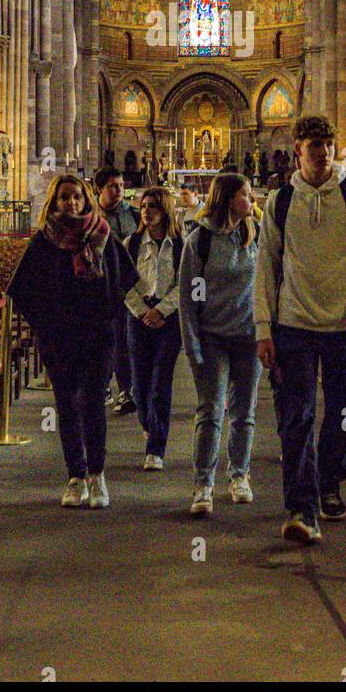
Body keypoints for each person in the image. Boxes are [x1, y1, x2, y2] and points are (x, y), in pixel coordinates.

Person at [254, 115, 346, 545]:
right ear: (298, 148)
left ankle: (330, 480)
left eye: (328, 144)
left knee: (343, 415)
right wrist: (263, 326)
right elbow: (266, 265)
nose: (323, 151)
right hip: (293, 323)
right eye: (314, 144)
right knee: (296, 417)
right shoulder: (280, 200)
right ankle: (301, 506)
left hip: (343, 324)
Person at [6, 174, 138, 510]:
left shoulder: (103, 236)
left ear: (86, 199)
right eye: (65, 197)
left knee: (93, 402)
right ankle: (75, 475)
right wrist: (45, 325)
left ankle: (97, 474)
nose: (72, 203)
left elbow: (126, 278)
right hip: (60, 338)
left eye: (77, 196)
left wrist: (109, 313)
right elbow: (21, 290)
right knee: (66, 404)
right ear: (55, 201)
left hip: (98, 336)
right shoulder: (44, 242)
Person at [178, 174, 261, 515]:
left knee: (245, 413)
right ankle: (203, 483)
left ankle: (240, 474)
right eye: (245, 193)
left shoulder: (256, 234)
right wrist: (192, 345)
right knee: (211, 411)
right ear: (228, 198)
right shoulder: (200, 242)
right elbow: (188, 297)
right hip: (212, 337)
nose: (251, 197)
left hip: (249, 337)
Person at [123, 187, 183, 470]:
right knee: (140, 383)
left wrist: (161, 310)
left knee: (160, 383)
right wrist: (143, 311)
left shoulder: (182, 244)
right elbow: (125, 284)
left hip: (169, 320)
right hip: (139, 318)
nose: (147, 211)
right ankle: (149, 424)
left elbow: (184, 284)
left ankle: (156, 449)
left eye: (154, 207)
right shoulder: (131, 243)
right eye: (144, 206)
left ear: (166, 210)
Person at [93, 166, 139, 415]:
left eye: (121, 186)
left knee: (124, 339)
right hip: (98, 288)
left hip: (126, 287)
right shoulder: (89, 216)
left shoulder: (133, 214)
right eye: (112, 186)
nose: (118, 190)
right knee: (101, 340)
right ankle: (103, 386)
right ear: (99, 188)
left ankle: (126, 390)